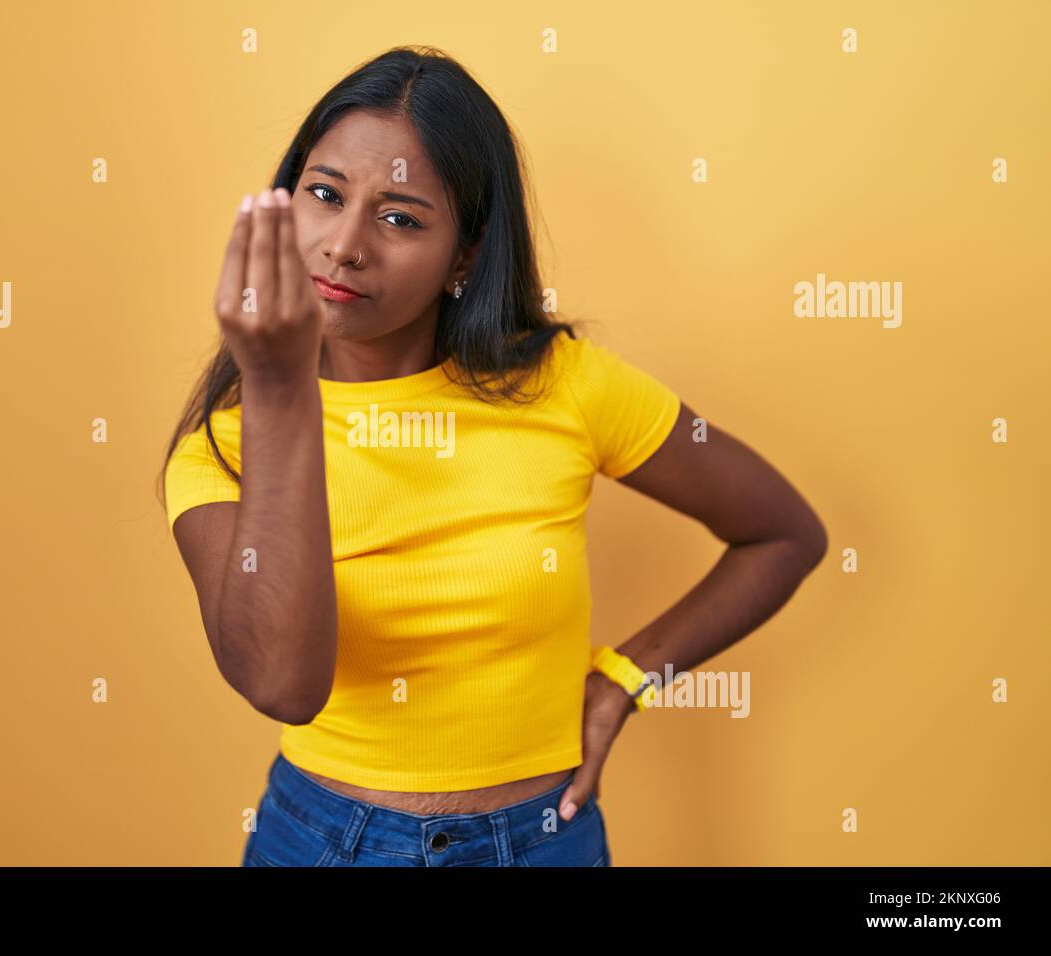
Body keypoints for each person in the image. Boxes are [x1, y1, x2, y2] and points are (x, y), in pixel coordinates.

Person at [159, 46, 826, 867]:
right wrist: (279, 389)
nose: (343, 245)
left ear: (465, 257)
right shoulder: (222, 446)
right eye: (324, 195)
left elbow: (784, 534)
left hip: (545, 841)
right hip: (323, 843)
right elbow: (283, 687)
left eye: (400, 217)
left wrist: (625, 679)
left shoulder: (568, 386)